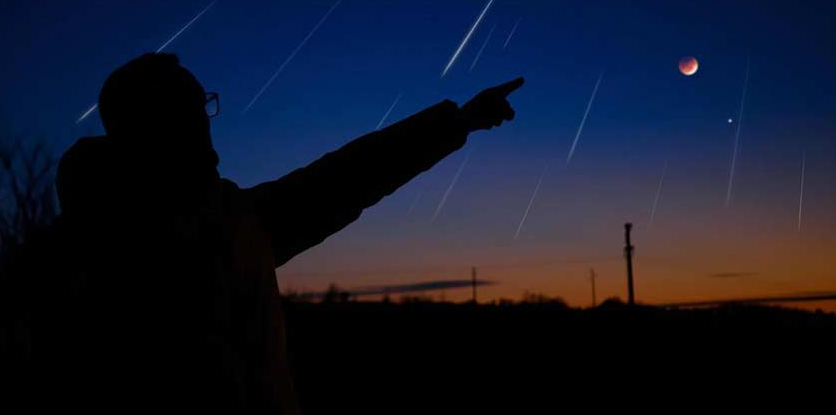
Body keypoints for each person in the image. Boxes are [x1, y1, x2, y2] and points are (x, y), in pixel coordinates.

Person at [32, 53, 523, 412]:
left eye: (202, 103)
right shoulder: (90, 253)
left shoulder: (233, 217)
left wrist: (456, 123)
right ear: (151, 124)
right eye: (190, 106)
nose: (204, 119)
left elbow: (344, 178)